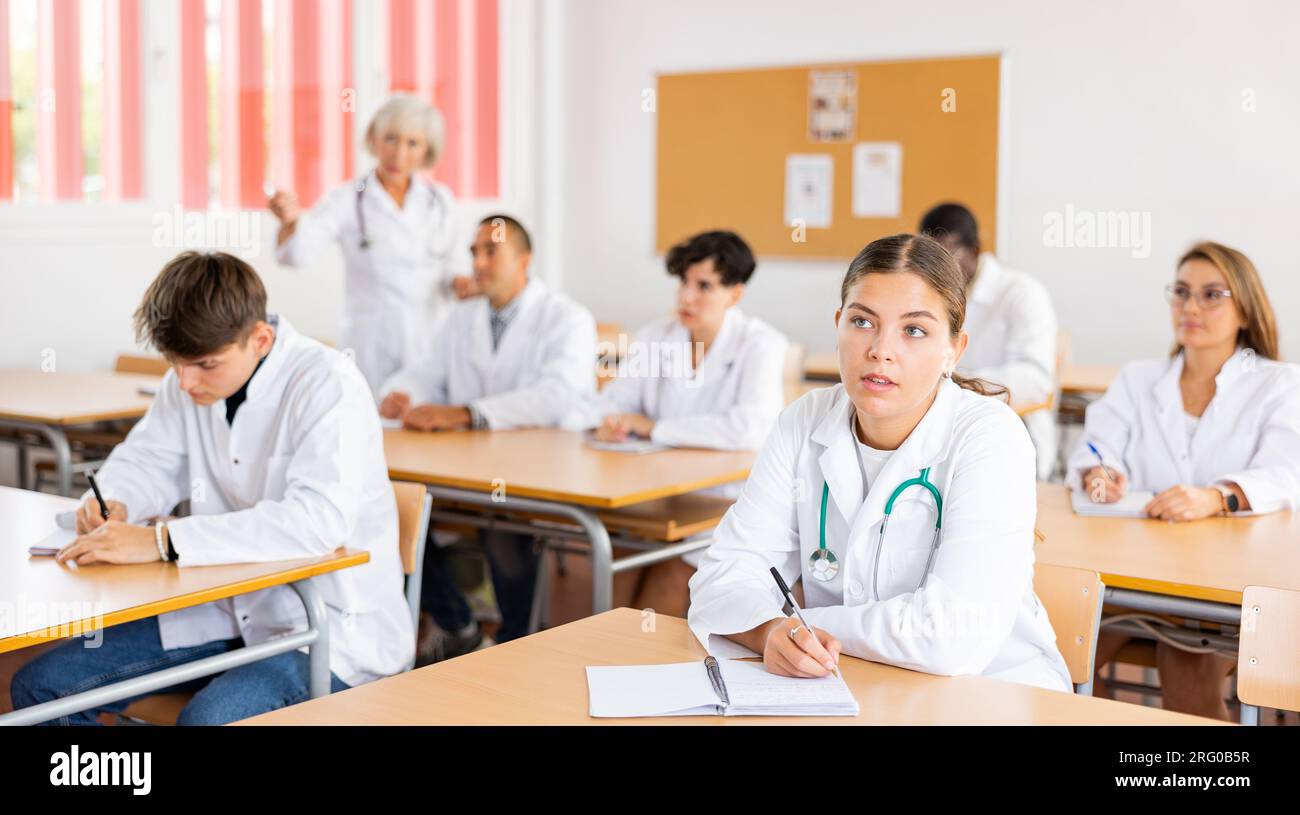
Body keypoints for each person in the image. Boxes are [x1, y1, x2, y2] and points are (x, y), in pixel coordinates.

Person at [11, 252, 414, 725]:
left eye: (204, 364)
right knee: (43, 688)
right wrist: (115, 502)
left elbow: (316, 523)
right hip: (225, 609)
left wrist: (163, 542)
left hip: (331, 626)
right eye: (176, 364)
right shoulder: (188, 379)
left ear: (259, 339)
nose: (185, 382)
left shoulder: (328, 384)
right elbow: (147, 461)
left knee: (206, 720)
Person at [688, 233, 1071, 691]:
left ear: (954, 348)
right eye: (863, 322)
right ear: (838, 325)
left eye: (914, 330)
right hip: (848, 681)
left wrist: (799, 622)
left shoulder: (991, 436)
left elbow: (952, 637)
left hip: (992, 689)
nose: (880, 350)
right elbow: (719, 580)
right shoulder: (803, 421)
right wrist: (771, 631)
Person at [1066, 240, 1300, 720]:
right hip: (1129, 579)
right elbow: (1094, 452)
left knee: (1187, 671)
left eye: (1212, 294)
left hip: (1222, 593)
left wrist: (1217, 497)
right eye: (1181, 292)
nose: (1191, 307)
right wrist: (1100, 476)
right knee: (1058, 652)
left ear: (1245, 309)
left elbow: (1285, 473)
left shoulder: (1278, 384)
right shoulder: (1138, 378)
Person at [379, 215, 596, 658]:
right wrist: (401, 396)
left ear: (524, 259)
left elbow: (557, 394)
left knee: (505, 525)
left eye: (490, 250)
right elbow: (425, 372)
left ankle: (516, 647)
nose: (478, 261)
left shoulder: (566, 318)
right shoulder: (461, 318)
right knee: (391, 510)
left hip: (539, 471)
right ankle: (462, 627)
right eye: (474, 251)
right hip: (464, 469)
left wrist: (467, 414)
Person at [580, 230, 788, 617]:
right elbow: (611, 400)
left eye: (704, 286)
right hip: (650, 494)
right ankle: (590, 660)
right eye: (684, 283)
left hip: (725, 501)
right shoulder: (657, 335)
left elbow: (750, 427)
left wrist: (654, 428)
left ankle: (636, 668)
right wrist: (610, 421)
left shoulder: (761, 344)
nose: (686, 297)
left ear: (735, 294)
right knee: (597, 559)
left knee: (670, 577)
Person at [270, 93, 476, 394]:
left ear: (426, 152)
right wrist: (290, 221)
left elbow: (454, 268)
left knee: (430, 426)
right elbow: (298, 254)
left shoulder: (440, 201)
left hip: (429, 342)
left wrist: (465, 285)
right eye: (391, 139)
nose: (399, 154)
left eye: (412, 143)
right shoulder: (347, 199)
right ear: (374, 140)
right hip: (370, 346)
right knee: (372, 425)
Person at [920, 203, 1058, 478]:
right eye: (929, 260)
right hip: (938, 424)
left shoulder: (1022, 293)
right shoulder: (928, 295)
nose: (937, 270)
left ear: (974, 250)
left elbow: (1035, 381)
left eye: (947, 256)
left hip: (1013, 426)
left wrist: (959, 386)